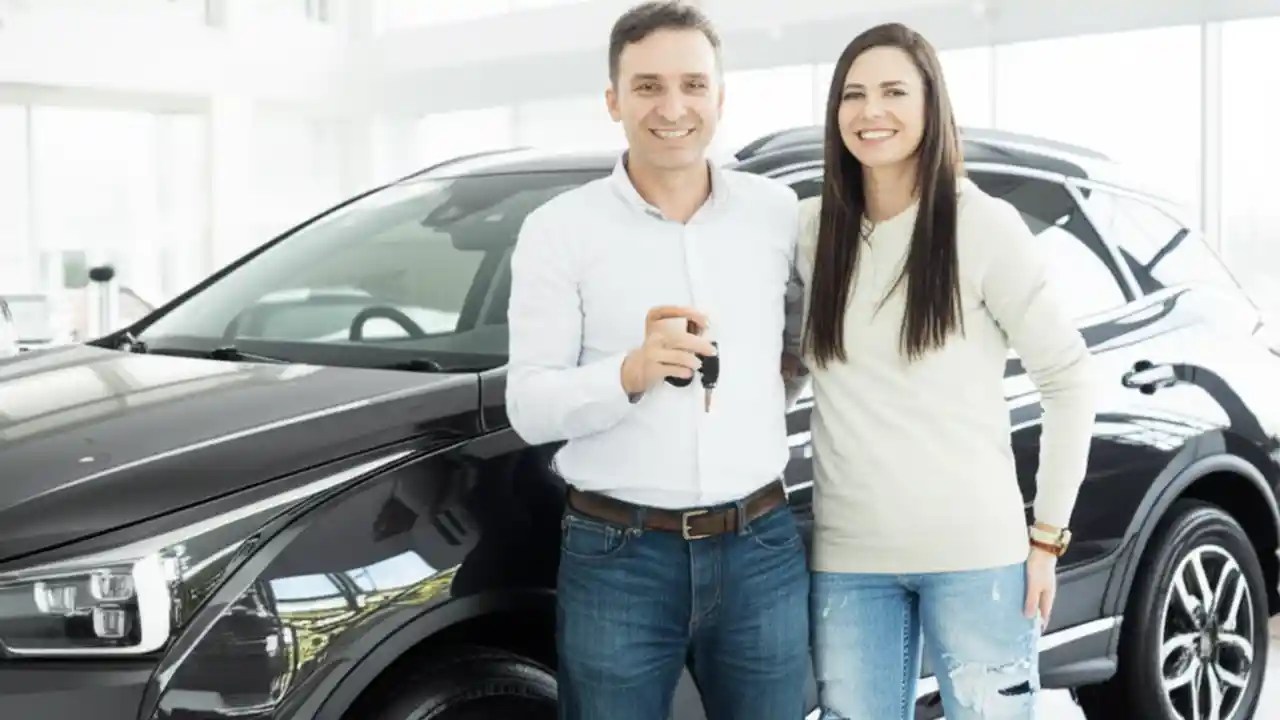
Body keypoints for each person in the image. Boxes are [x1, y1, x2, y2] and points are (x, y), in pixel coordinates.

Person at [504, 2, 810, 719]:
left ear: (720, 97)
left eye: (693, 85)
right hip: (619, 557)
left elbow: (806, 346)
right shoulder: (558, 229)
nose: (673, 107)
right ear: (612, 100)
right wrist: (630, 373)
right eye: (647, 86)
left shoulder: (777, 213)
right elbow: (529, 404)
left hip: (761, 546)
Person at [794, 22, 1098, 720]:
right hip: (848, 559)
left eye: (895, 91)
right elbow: (787, 360)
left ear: (933, 107)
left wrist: (1047, 538)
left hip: (977, 559)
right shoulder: (811, 231)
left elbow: (1070, 379)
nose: (871, 112)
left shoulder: (982, 226)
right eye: (853, 95)